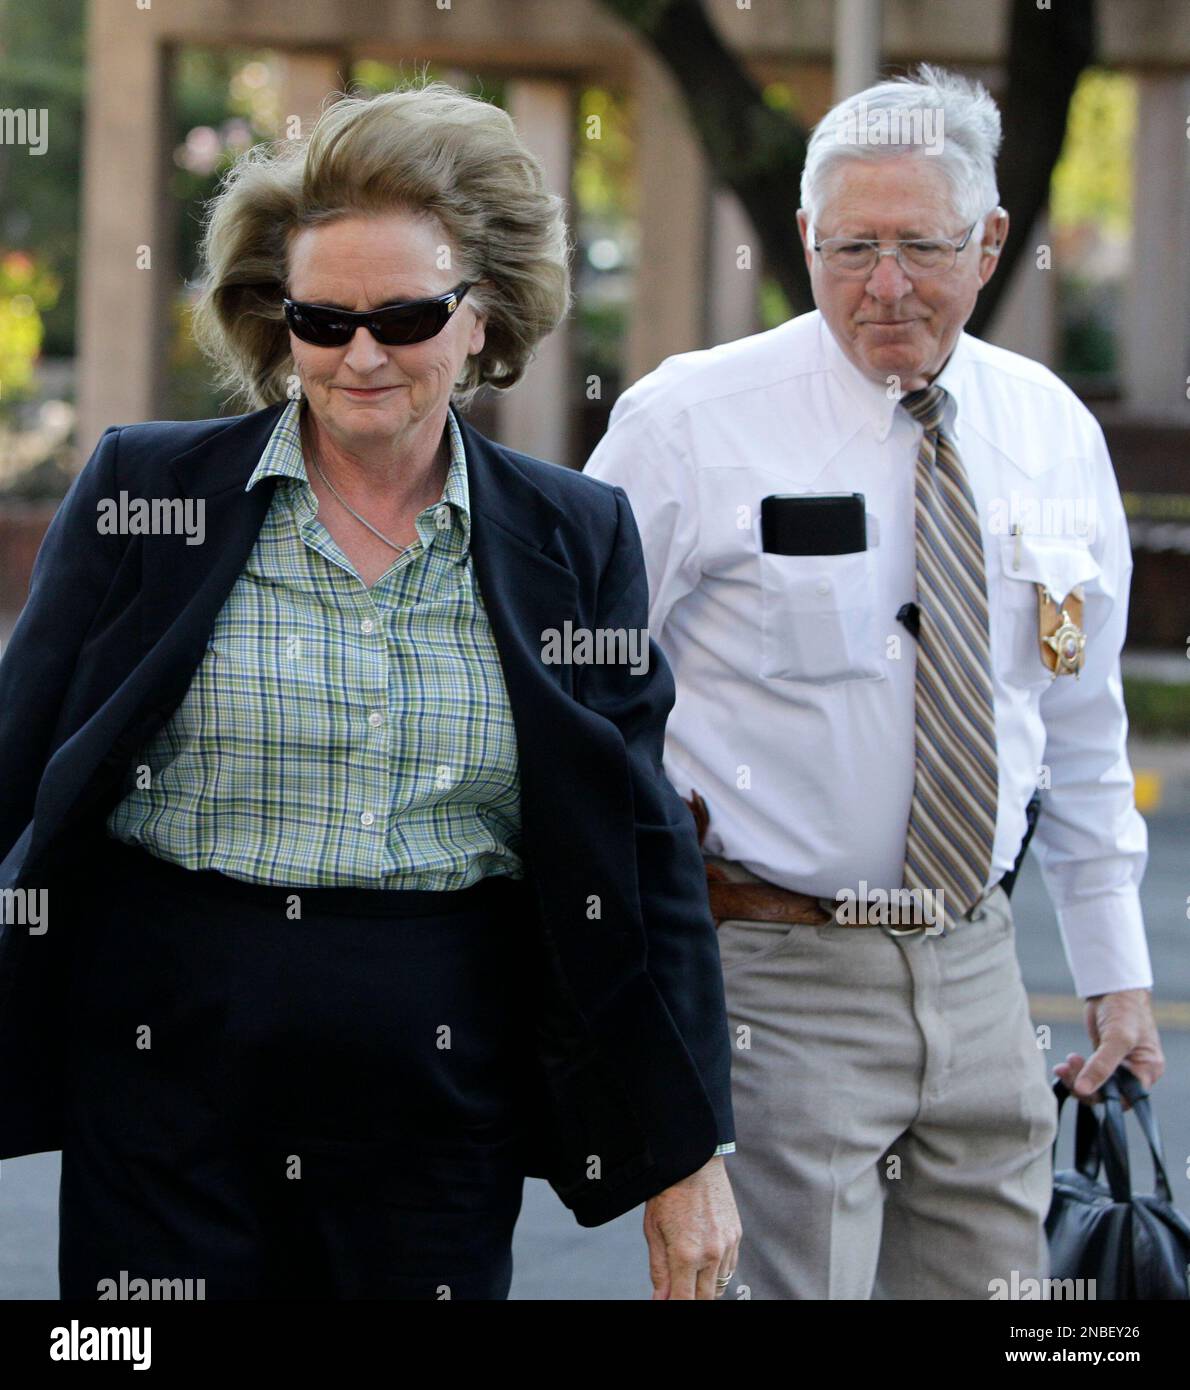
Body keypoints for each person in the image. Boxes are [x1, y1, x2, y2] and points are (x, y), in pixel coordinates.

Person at [0, 82, 740, 1301]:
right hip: (166, 1073)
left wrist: (689, 1146)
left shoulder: (576, 534)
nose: (358, 355)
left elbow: (640, 849)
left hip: (440, 1090)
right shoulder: (147, 495)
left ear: (479, 315)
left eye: (401, 316)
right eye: (320, 318)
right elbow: (18, 764)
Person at [585, 65, 1163, 1300]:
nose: (883, 285)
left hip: (976, 969)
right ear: (801, 237)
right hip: (771, 978)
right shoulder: (688, 419)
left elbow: (1075, 717)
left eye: (920, 246)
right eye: (850, 247)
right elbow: (576, 700)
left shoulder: (1050, 429)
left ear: (991, 241)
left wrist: (1114, 971)